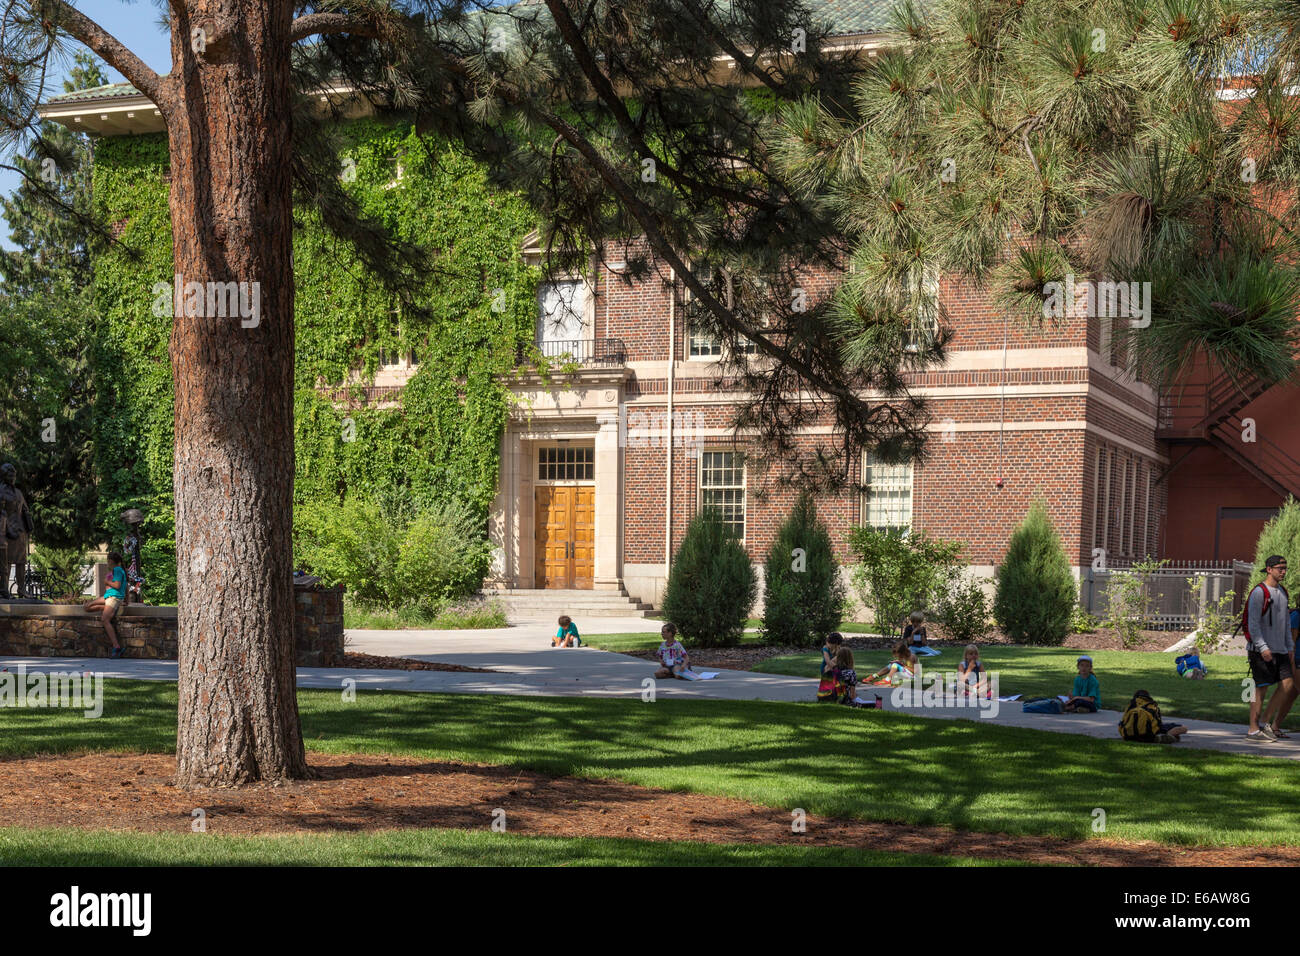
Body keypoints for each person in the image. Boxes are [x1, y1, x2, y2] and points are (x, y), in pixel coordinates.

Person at [1245, 555, 1293, 741]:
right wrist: (1262, 646)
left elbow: (1286, 622)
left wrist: (1289, 646)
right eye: (1279, 568)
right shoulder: (1259, 592)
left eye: (1285, 568)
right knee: (1260, 688)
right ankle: (1253, 729)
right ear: (1269, 569)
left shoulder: (1282, 592)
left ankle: (1264, 723)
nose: (1283, 571)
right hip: (1261, 650)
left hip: (1280, 648)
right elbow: (1253, 624)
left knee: (1287, 684)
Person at [84, 551, 126, 659]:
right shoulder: (120, 570)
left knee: (105, 619)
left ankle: (116, 647)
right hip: (108, 596)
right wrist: (127, 601)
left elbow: (117, 585)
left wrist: (107, 583)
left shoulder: (117, 570)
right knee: (87, 607)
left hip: (114, 597)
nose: (107, 563)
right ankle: (110, 610)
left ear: (111, 561)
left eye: (108, 561)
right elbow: (125, 587)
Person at [1119, 689, 1188, 744]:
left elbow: (1122, 723)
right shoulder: (1150, 705)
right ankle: (1165, 736)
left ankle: (1167, 737)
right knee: (1183, 728)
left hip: (1128, 736)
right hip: (1149, 734)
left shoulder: (1131, 705)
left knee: (1176, 737)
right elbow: (1158, 724)